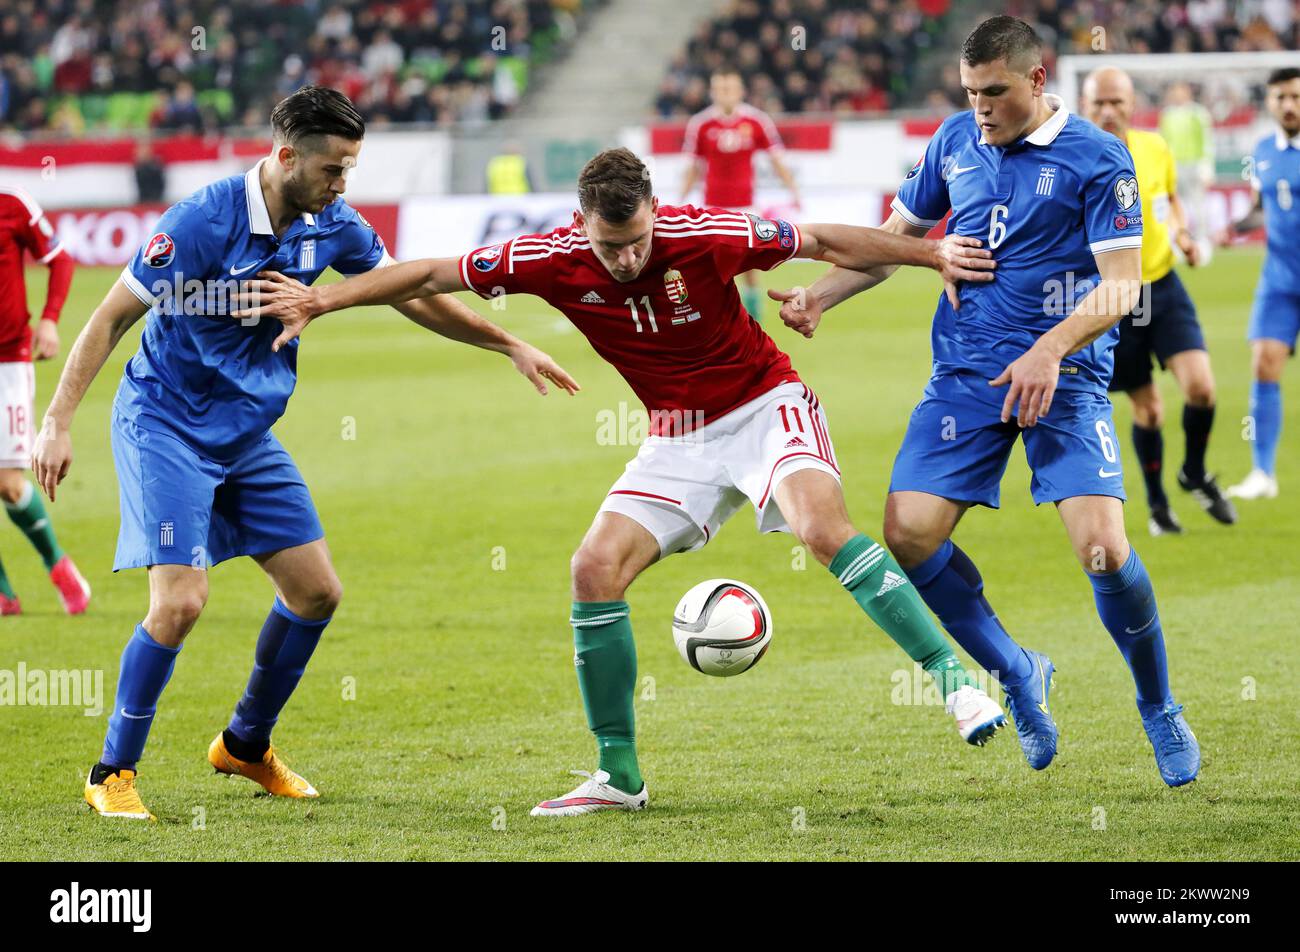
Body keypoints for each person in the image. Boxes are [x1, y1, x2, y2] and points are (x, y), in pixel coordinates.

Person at [235, 146, 1008, 818]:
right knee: (592, 571)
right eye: (610, 246)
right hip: (676, 438)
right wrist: (324, 297)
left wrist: (932, 253)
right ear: (581, 224)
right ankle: (618, 775)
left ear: (655, 214)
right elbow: (433, 270)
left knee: (821, 530)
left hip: (764, 406)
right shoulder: (546, 257)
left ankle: (952, 681)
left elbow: (823, 237)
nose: (627, 259)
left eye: (637, 240)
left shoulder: (706, 232)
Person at [30, 85, 578, 821]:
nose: (343, 184)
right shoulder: (200, 222)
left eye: (350, 168)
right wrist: (57, 421)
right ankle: (112, 772)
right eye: (332, 169)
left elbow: (408, 291)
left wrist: (506, 340)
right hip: (165, 424)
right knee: (182, 601)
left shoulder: (332, 224)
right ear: (286, 156)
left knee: (317, 591)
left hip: (247, 433)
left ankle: (245, 745)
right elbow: (111, 316)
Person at [774, 17, 1200, 787]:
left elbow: (1123, 284)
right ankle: (1018, 669)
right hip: (965, 377)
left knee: (1102, 549)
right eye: (970, 94)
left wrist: (1049, 348)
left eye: (995, 93)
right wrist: (822, 296)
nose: (981, 109)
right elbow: (895, 238)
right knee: (906, 537)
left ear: (1037, 82)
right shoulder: (953, 142)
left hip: (1062, 379)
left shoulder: (1099, 159)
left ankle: (1159, 705)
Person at [1081, 66, 1235, 534]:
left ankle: (1192, 470)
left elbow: (1169, 200)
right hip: (1115, 297)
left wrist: (1183, 235)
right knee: (1148, 409)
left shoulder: (1155, 147)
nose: (1108, 111)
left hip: (1163, 285)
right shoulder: (1074, 159)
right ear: (1085, 106)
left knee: (1202, 388)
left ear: (1132, 104)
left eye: (1117, 102)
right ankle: (1157, 505)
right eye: (1099, 103)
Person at [0, 185, 90, 616]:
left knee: (9, 483)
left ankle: (57, 563)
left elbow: (60, 259)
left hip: (8, 361)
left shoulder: (12, 201)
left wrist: (50, 321)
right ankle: (4, 593)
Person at [1220, 67, 1300, 500]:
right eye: (1279, 97)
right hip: (1280, 280)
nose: (1288, 105)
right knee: (1264, 363)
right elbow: (1259, 208)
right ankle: (1263, 473)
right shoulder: (1263, 150)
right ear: (1269, 102)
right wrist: (1234, 228)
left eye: (1295, 96)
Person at [681, 67, 800, 323]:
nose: (725, 94)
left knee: (747, 259)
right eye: (720, 89)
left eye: (730, 88)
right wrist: (681, 197)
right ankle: (722, 307)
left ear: (740, 91)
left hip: (745, 204)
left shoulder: (756, 121)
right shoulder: (701, 124)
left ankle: (753, 304)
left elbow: (776, 159)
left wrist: (793, 189)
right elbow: (694, 166)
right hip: (712, 205)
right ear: (712, 92)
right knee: (715, 261)